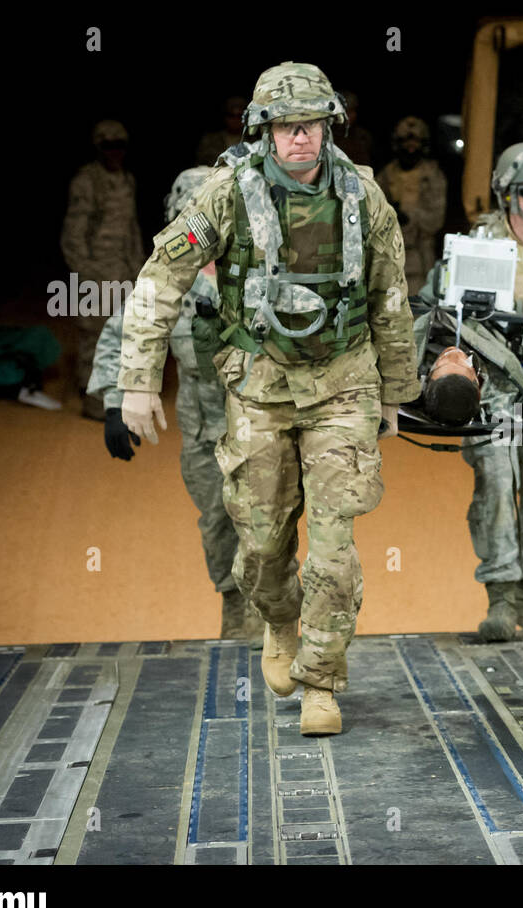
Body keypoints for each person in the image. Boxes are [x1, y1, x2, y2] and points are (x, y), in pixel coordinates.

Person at [116, 62, 420, 735]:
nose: (298, 138)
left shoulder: (365, 199)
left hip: (343, 381)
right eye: (285, 126)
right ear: (264, 130)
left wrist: (396, 392)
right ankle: (280, 621)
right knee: (260, 547)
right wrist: (135, 378)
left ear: (329, 125)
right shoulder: (228, 193)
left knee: (335, 543)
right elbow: (160, 278)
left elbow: (390, 299)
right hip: (260, 384)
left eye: (309, 124)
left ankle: (321, 680)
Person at [87, 167, 264, 647]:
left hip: (265, 426)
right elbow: (123, 333)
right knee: (216, 520)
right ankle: (234, 606)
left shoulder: (258, 272)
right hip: (205, 430)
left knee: (266, 521)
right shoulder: (168, 281)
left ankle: (268, 615)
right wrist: (115, 402)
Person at [417, 143, 523, 641]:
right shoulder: (474, 246)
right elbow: (433, 313)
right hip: (495, 392)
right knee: (497, 486)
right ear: (507, 193)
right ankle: (501, 596)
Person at [60, 119, 145, 421]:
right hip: (96, 272)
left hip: (123, 269)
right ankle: (94, 400)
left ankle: (113, 392)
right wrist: (85, 272)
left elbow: (131, 227)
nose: (114, 152)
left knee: (122, 334)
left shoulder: (126, 179)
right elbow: (73, 233)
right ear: (98, 147)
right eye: (108, 146)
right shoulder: (87, 182)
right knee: (94, 335)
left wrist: (138, 267)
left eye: (119, 145)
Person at [377, 117, 447, 295]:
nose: (410, 147)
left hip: (420, 257)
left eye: (415, 141)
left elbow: (435, 220)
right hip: (388, 255)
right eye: (405, 141)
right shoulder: (386, 175)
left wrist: (409, 215)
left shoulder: (432, 176)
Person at [195, 97, 248, 167]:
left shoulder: (253, 140)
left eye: (239, 116)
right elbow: (200, 164)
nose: (235, 120)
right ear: (225, 117)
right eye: (231, 115)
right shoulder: (210, 140)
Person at [334, 91, 374, 168]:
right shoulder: (327, 136)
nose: (353, 116)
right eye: (348, 112)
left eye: (353, 111)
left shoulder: (362, 137)